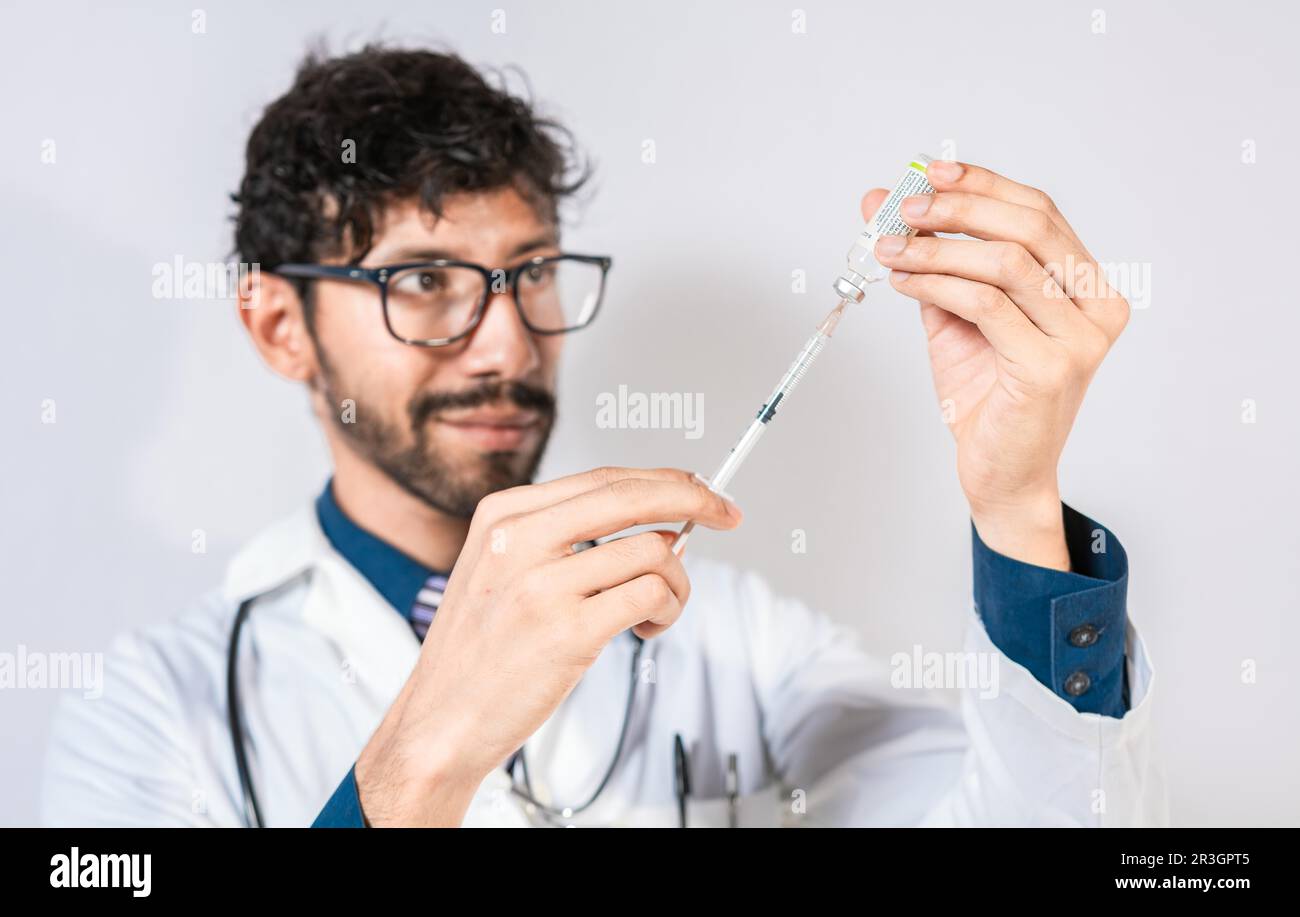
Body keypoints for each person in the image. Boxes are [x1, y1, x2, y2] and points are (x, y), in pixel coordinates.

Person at [40, 44, 1162, 827]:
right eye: (424, 280)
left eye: (529, 274)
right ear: (281, 324)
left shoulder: (738, 641)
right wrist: (426, 752)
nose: (503, 345)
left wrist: (1016, 502)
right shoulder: (149, 709)